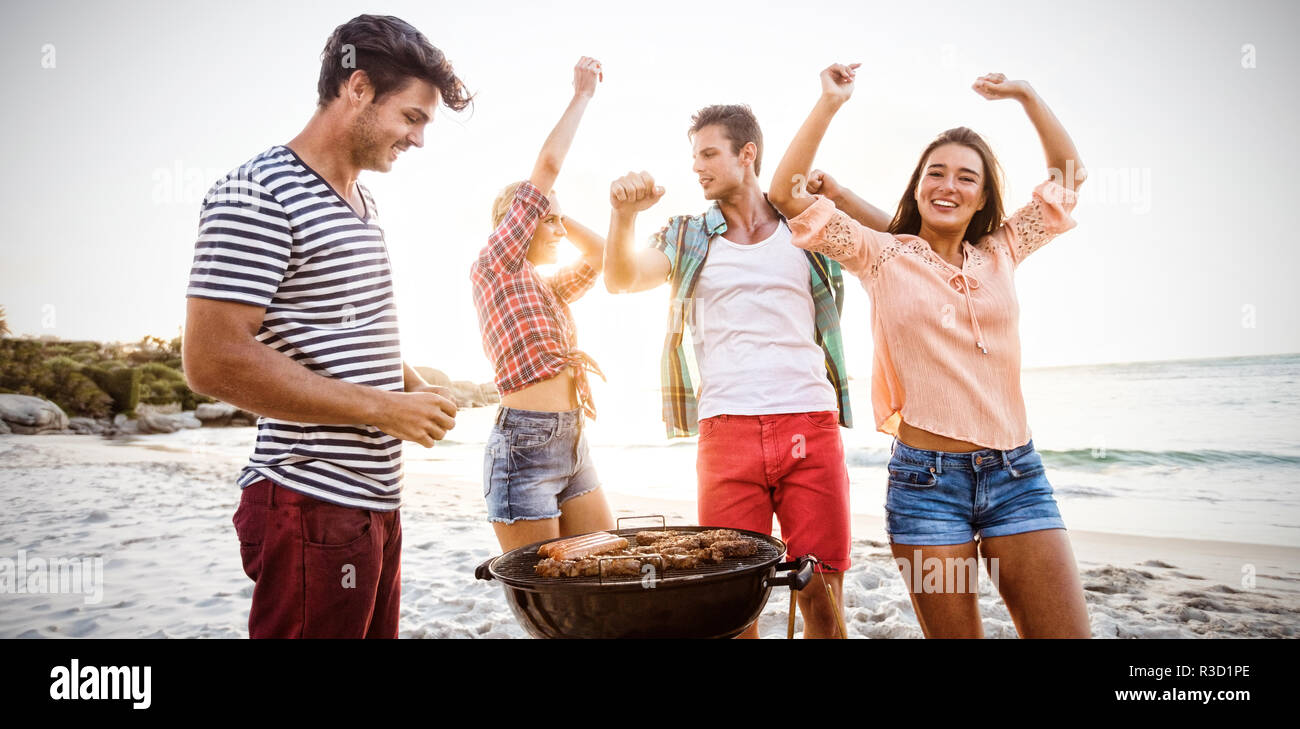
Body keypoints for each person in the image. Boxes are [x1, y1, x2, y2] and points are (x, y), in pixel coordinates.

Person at [767, 63, 1091, 638]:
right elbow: (785, 191)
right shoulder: (881, 256)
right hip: (926, 487)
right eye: (935, 173)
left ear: (984, 196)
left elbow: (1069, 176)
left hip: (1017, 474)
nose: (949, 185)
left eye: (967, 178)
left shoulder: (1003, 250)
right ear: (917, 186)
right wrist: (829, 102)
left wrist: (1026, 94)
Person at [183, 15, 467, 638]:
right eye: (412, 117)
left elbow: (348, 336)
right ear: (358, 88)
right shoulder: (257, 192)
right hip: (309, 500)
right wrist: (383, 411)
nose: (418, 139)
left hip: (374, 504)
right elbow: (212, 359)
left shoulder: (364, 204)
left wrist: (412, 388)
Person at [604, 105, 853, 639]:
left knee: (823, 595)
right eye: (694, 156)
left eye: (709, 153)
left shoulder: (807, 225)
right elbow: (622, 279)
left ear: (748, 154)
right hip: (726, 431)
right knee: (732, 604)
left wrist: (830, 100)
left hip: (808, 424)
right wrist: (623, 216)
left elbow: (887, 246)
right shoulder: (687, 235)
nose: (698, 167)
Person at [471, 57, 615, 553]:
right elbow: (547, 169)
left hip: (572, 441)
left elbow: (603, 255)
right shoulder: (496, 266)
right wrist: (583, 95)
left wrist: (562, 215)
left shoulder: (545, 287)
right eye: (546, 220)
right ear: (519, 223)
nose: (558, 231)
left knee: (604, 567)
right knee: (546, 592)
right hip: (524, 447)